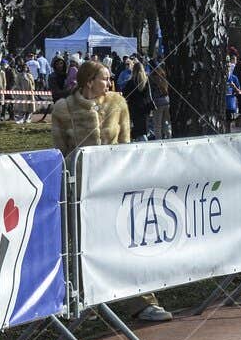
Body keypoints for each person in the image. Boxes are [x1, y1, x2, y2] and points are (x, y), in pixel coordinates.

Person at [54, 60, 173, 322]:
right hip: (80, 192)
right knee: (83, 247)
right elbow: (61, 154)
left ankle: (142, 302)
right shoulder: (63, 109)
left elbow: (125, 148)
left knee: (126, 244)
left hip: (113, 189)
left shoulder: (118, 104)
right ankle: (86, 303)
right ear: (88, 81)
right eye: (104, 78)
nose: (109, 83)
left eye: (109, 79)